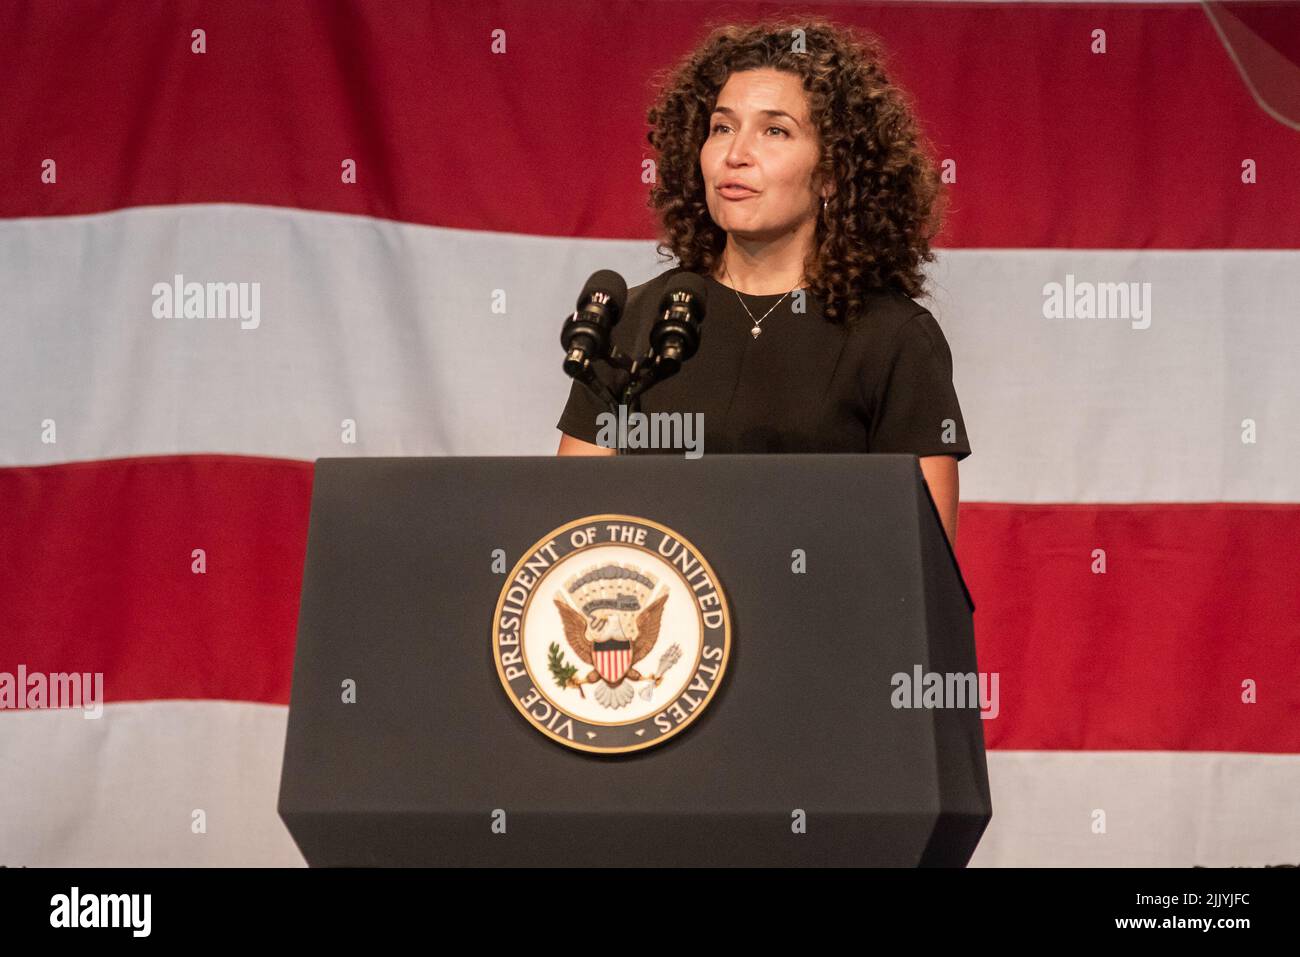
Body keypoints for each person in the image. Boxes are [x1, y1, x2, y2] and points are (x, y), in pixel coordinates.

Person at [556, 18, 970, 547]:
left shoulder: (894, 338)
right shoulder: (636, 320)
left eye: (775, 130)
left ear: (832, 173)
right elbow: (570, 542)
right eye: (722, 127)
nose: (735, 154)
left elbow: (921, 571)